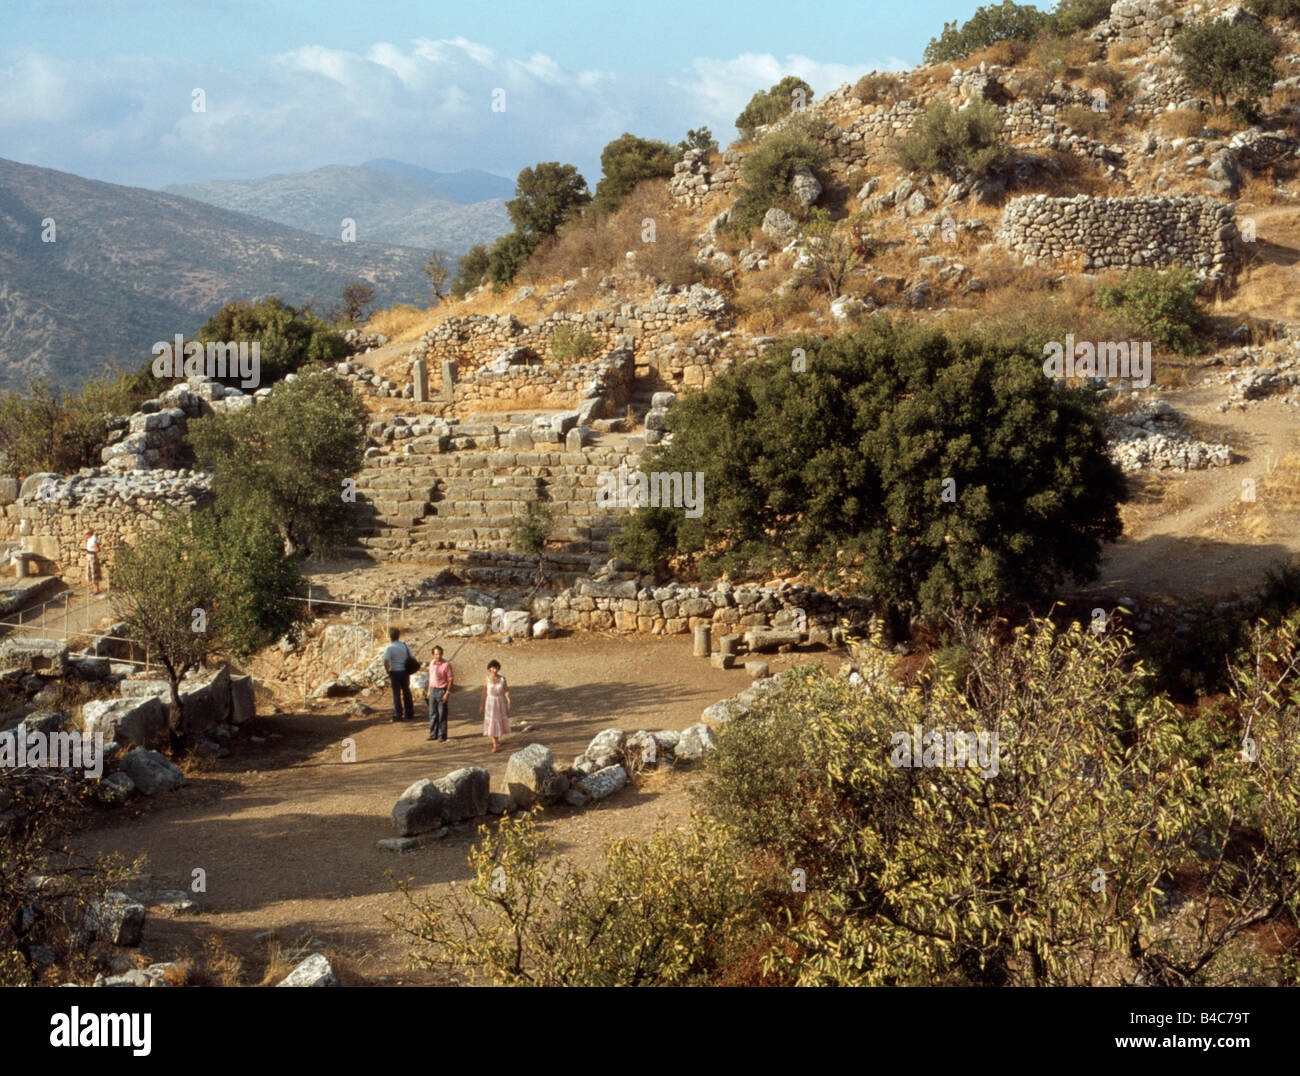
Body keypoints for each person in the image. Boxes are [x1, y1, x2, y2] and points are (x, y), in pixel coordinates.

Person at [382, 627, 416, 723]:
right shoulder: (405, 645)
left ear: (390, 636)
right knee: (407, 692)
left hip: (395, 672)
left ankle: (398, 715)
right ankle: (409, 713)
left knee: (396, 694)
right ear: (398, 636)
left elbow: (386, 661)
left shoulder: (390, 648)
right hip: (405, 671)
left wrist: (388, 671)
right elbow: (412, 657)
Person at [480, 660, 511, 753]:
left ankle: (497, 740)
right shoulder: (487, 679)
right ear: (489, 668)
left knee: (499, 721)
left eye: (496, 668)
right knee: (492, 722)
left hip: (500, 701)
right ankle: (495, 743)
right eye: (492, 668)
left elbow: (506, 690)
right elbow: (484, 694)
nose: (494, 670)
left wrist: (509, 701)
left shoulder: (502, 679)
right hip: (490, 702)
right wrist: (481, 706)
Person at [427, 645, 454, 742]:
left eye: (439, 654)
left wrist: (447, 693)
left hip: (442, 690)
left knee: (442, 714)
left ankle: (442, 735)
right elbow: (430, 678)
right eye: (435, 654)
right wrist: (429, 691)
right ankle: (433, 734)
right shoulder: (432, 663)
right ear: (433, 655)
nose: (437, 656)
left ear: (442, 654)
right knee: (432, 713)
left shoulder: (446, 664)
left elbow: (450, 680)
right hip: (433, 690)